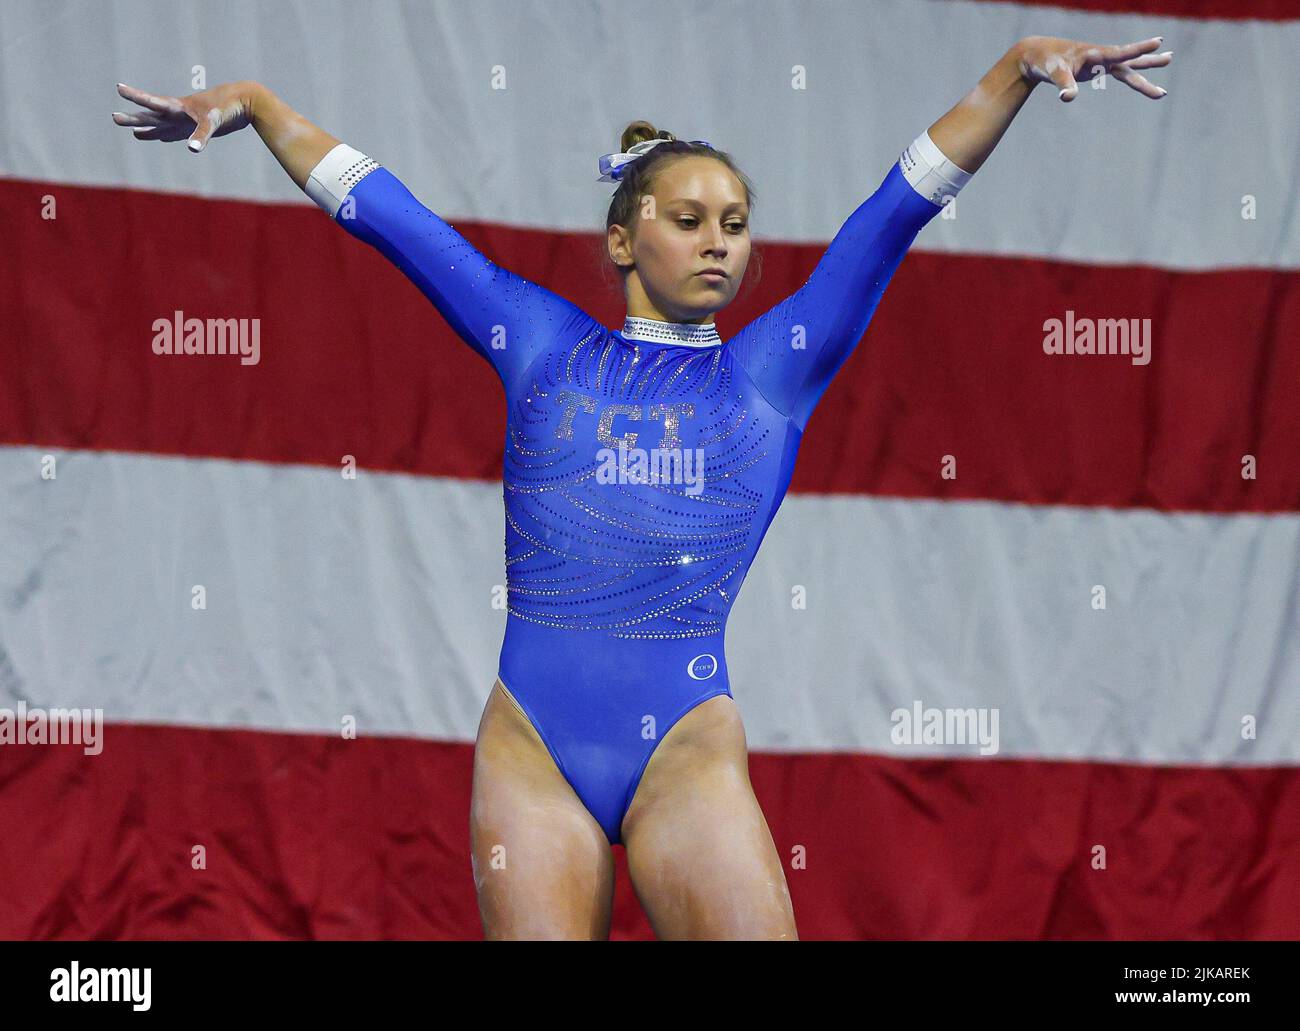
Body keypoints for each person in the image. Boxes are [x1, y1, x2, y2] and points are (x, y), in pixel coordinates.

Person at [113, 32, 1171, 940]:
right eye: (689, 217)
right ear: (623, 237)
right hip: (531, 746)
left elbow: (897, 206)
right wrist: (254, 104)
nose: (720, 240)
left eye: (737, 222)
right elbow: (390, 217)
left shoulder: (772, 370)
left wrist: (1014, 73)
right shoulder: (536, 341)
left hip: (685, 752)